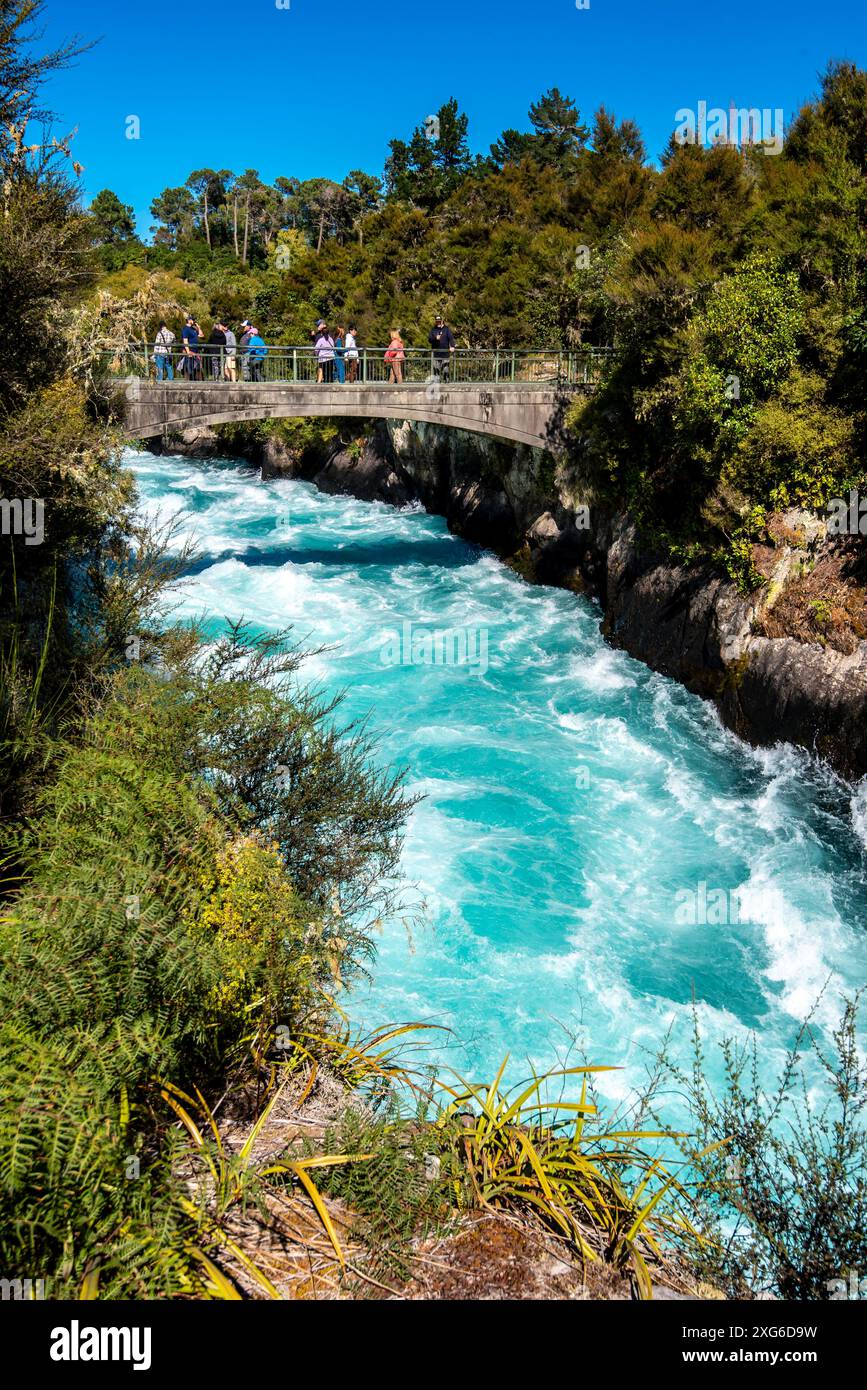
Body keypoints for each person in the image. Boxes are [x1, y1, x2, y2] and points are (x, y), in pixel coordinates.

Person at [429, 314, 456, 382]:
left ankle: (446, 381)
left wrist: (452, 346)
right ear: (435, 321)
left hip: (445, 353)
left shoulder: (446, 329)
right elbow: (429, 340)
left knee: (446, 370)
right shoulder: (433, 330)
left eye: (439, 321)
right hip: (436, 353)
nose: (438, 322)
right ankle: (437, 384)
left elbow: (451, 338)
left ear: (442, 321)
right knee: (436, 370)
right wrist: (435, 338)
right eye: (437, 321)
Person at [181, 315, 202, 380]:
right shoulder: (186, 329)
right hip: (190, 352)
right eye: (193, 319)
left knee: (197, 369)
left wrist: (198, 327)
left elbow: (201, 335)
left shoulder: (194, 328)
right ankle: (188, 383)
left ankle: (195, 381)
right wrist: (188, 352)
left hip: (195, 352)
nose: (194, 321)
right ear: (189, 320)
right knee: (189, 369)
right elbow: (185, 341)